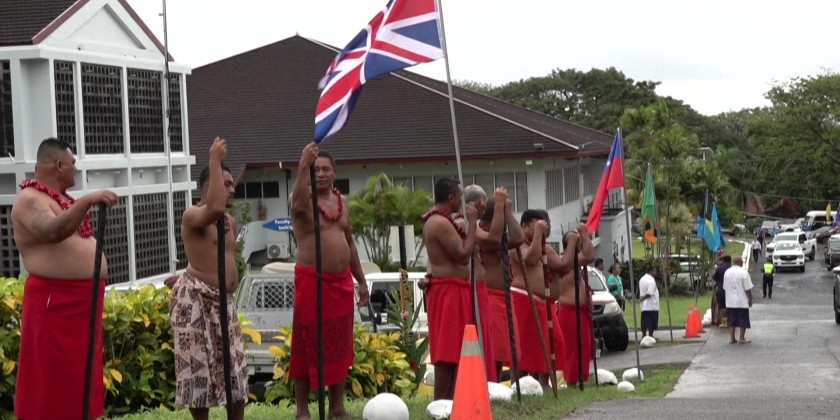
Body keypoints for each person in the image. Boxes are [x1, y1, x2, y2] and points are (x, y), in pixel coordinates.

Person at [11, 138, 119, 420]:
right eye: (73, 163)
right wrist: (86, 201)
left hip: (81, 304)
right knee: (50, 384)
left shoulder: (58, 199)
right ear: (59, 165)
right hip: (53, 302)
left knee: (78, 381)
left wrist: (80, 204)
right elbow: (51, 231)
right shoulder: (29, 199)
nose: (76, 168)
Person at [168, 138, 248, 420]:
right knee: (196, 370)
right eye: (225, 184)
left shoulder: (229, 223)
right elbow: (211, 210)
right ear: (207, 187)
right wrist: (213, 159)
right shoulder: (193, 215)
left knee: (235, 369)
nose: (232, 189)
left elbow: (215, 258)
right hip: (195, 301)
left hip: (223, 301)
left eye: (231, 184)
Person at [289, 142, 370, 419]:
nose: (321, 174)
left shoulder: (341, 202)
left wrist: (361, 281)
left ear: (335, 173)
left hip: (341, 282)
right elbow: (298, 207)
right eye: (316, 169)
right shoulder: (302, 200)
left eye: (325, 169)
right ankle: (303, 410)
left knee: (340, 345)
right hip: (312, 280)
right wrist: (303, 164)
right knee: (305, 343)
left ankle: (336, 406)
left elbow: (350, 243)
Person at [422, 177, 478, 400]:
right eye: (460, 196)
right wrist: (473, 223)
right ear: (451, 197)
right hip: (447, 292)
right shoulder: (439, 223)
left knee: (457, 349)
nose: (463, 201)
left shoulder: (443, 220)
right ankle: (441, 402)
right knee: (447, 351)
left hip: (454, 290)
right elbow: (464, 255)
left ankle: (453, 400)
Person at [508, 210, 566, 388]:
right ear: (524, 226)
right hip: (523, 299)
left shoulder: (543, 246)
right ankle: (519, 386)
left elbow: (563, 267)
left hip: (541, 303)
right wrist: (539, 234)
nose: (542, 227)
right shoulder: (516, 244)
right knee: (524, 349)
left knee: (547, 345)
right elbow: (530, 260)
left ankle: (540, 384)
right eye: (536, 225)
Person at [476, 188, 524, 378]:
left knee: (503, 348)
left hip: (502, 296)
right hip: (490, 296)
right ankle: (491, 385)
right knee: (493, 349)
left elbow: (518, 238)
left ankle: (496, 385)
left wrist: (508, 213)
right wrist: (499, 207)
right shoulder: (482, 234)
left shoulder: (499, 234)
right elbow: (495, 239)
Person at [456, 184, 498, 382]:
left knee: (487, 337)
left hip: (480, 287)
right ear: (479, 203)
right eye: (485, 203)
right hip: (472, 288)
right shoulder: (463, 223)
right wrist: (500, 208)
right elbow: (493, 238)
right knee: (479, 337)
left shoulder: (470, 224)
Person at [547, 223, 595, 386]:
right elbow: (589, 256)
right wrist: (583, 235)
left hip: (580, 311)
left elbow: (589, 254)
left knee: (583, 347)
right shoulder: (565, 261)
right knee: (573, 349)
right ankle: (572, 380)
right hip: (569, 311)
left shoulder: (576, 260)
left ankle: (578, 378)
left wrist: (584, 235)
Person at [723, 256, 753, 344]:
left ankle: (732, 338)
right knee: (743, 319)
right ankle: (741, 337)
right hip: (741, 300)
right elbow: (748, 288)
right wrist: (750, 299)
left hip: (730, 301)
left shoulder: (727, 272)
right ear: (740, 263)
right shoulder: (743, 272)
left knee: (731, 320)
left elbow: (725, 287)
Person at [639, 265, 660, 338]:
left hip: (644, 306)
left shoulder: (642, 279)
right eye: (654, 271)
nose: (655, 272)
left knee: (644, 321)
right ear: (650, 271)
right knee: (652, 321)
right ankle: (650, 335)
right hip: (652, 305)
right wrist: (643, 298)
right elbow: (650, 293)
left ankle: (644, 335)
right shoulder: (651, 280)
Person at [712, 255, 732, 327]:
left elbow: (714, 277)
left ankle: (724, 322)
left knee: (722, 306)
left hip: (721, 290)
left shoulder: (719, 268)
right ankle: (730, 321)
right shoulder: (732, 268)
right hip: (731, 291)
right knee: (730, 306)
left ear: (723, 260)